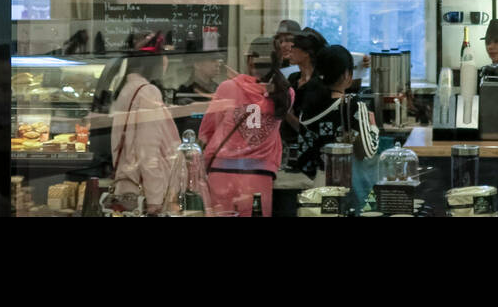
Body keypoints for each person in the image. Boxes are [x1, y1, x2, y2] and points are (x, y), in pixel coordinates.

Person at [199, 36, 293, 216]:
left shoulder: (227, 88)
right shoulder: (286, 93)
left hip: (221, 172)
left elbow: (206, 132)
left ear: (250, 60)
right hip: (259, 174)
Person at [289, 45, 379, 203]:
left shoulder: (308, 108)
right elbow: (369, 150)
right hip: (349, 186)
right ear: (346, 74)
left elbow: (304, 158)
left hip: (318, 186)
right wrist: (372, 126)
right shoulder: (353, 105)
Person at [110, 35, 184, 214]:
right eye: (163, 53)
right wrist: (155, 200)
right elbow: (148, 151)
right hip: (148, 195)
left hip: (129, 187)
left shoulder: (126, 88)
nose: (166, 59)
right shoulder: (148, 92)